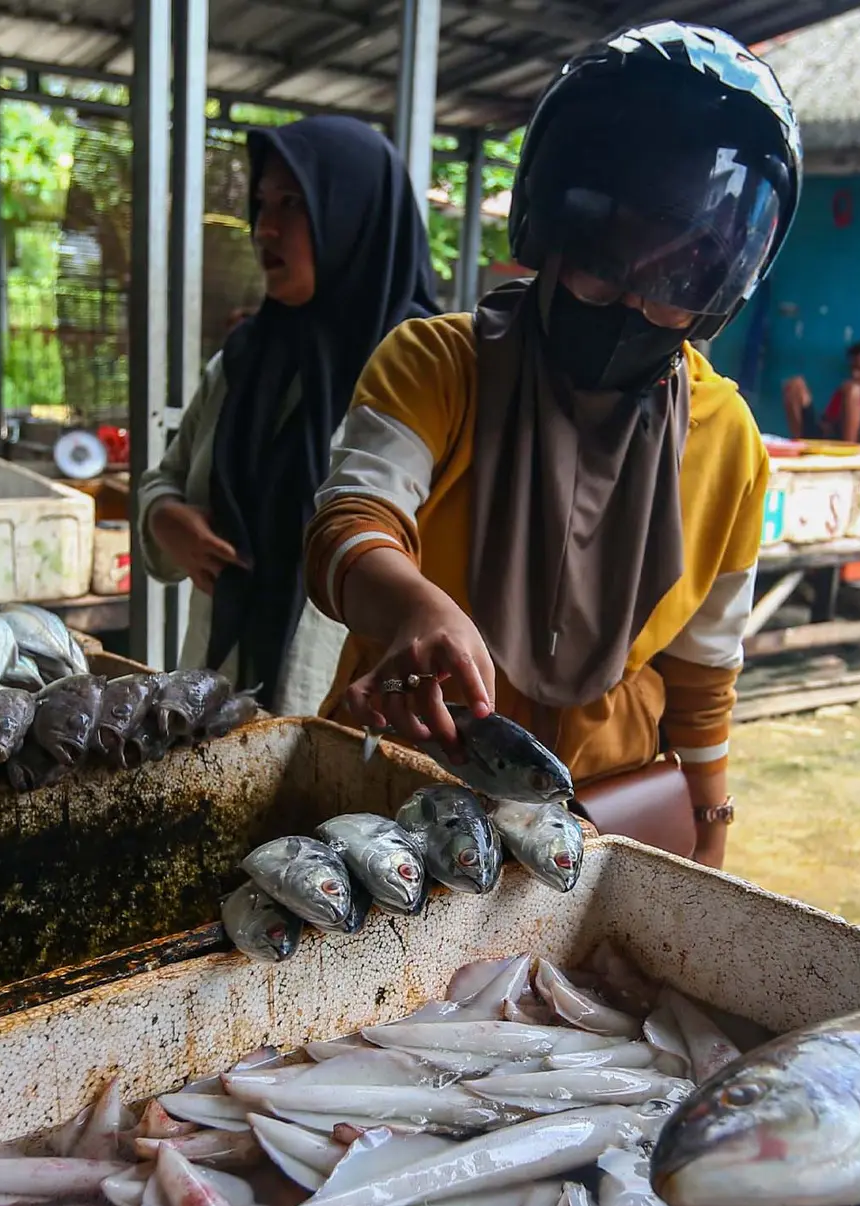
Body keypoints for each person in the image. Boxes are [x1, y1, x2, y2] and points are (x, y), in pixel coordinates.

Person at [298, 21, 800, 869]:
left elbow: (704, 672)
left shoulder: (731, 445)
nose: (634, 307)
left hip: (592, 827)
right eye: (606, 264)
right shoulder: (439, 365)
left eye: (676, 283)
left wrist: (710, 840)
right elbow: (348, 525)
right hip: (402, 800)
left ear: (719, 287)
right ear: (553, 229)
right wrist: (413, 607)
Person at [135, 118, 438, 716]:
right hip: (213, 700)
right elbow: (164, 475)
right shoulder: (243, 363)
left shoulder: (423, 376)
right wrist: (164, 517)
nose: (265, 227)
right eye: (261, 203)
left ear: (353, 214)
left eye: (293, 202)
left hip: (347, 713)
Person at [781, 338, 860, 453]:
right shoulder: (844, 391)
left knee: (854, 391)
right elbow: (827, 423)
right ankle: (799, 446)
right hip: (831, 443)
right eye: (852, 369)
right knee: (795, 384)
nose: (855, 374)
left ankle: (849, 451)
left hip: (859, 449)